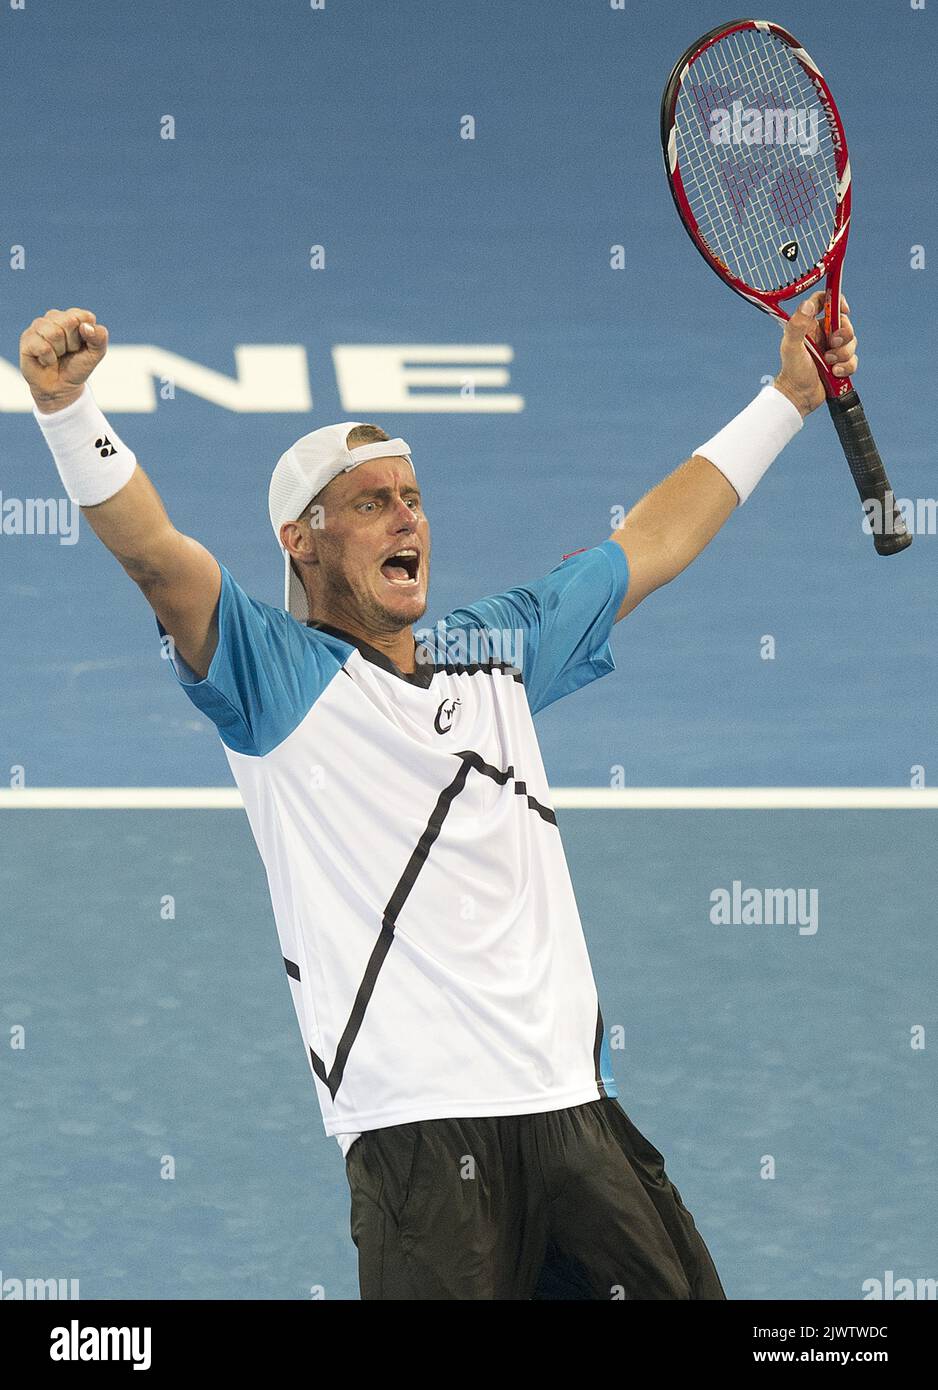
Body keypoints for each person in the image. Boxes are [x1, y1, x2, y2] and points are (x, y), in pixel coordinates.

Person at [21, 296, 858, 1299]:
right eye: (370, 500)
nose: (405, 512)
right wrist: (66, 410)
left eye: (411, 495)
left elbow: (652, 538)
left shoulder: (494, 650)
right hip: (415, 1138)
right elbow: (156, 555)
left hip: (577, 1120)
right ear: (303, 540)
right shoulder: (271, 676)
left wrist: (789, 397)